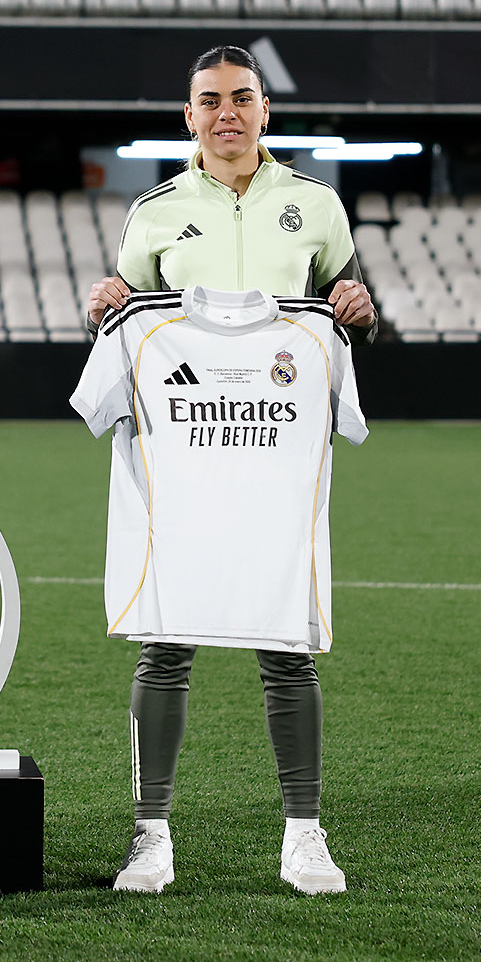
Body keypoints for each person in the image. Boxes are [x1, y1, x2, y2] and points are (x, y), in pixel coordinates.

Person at [83, 44, 377, 897]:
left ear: (264, 110)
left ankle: (305, 835)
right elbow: (121, 332)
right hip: (179, 470)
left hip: (278, 464)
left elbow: (348, 308)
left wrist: (360, 308)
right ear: (189, 116)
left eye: (242, 98)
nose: (227, 114)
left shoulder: (316, 207)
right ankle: (150, 834)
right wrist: (101, 309)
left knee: (287, 646)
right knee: (163, 644)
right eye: (210, 100)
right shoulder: (154, 211)